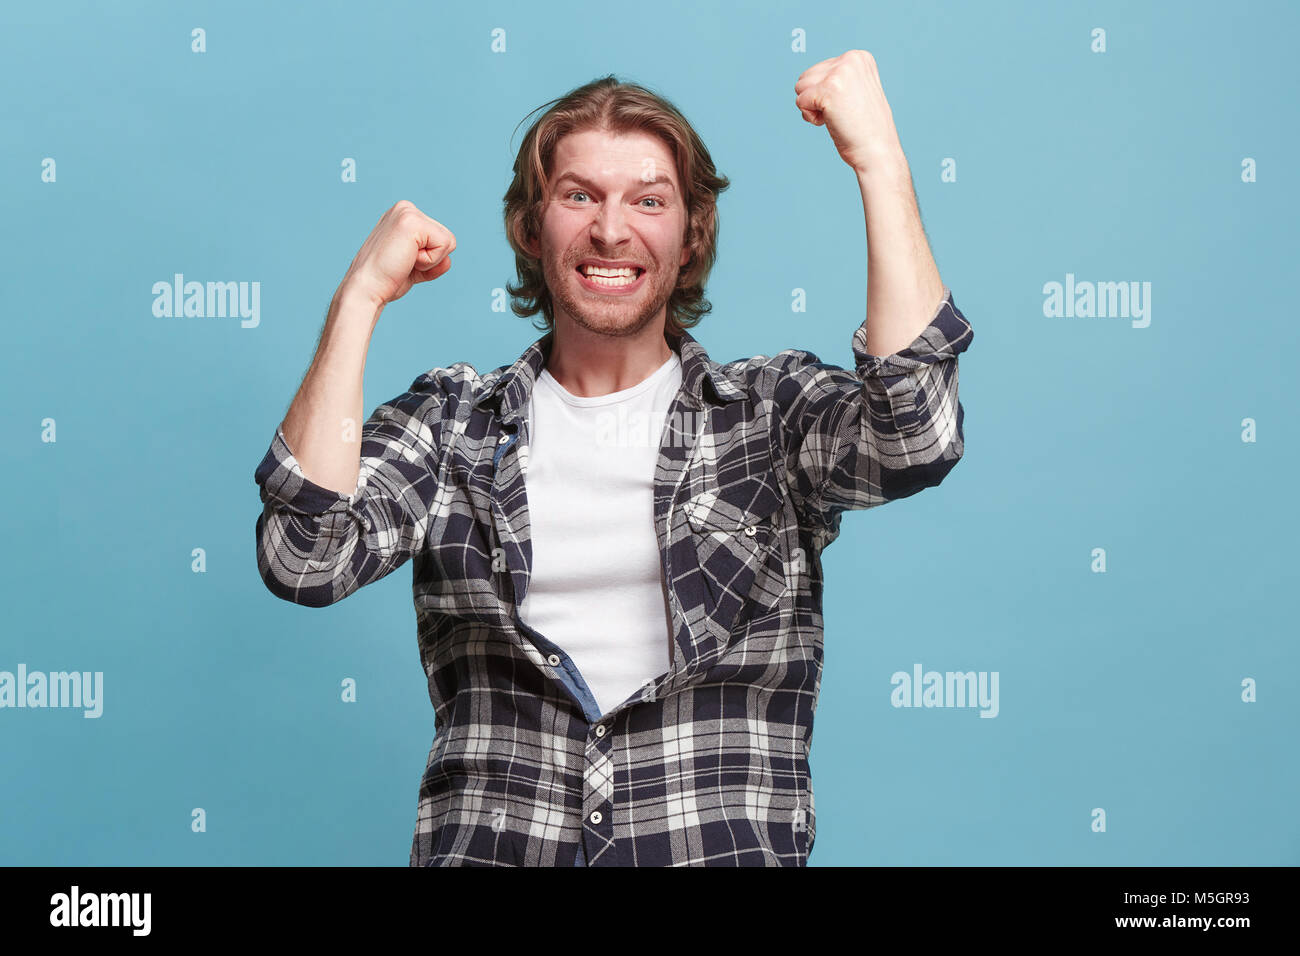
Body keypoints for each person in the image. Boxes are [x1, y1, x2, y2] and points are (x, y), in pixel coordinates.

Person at [253, 50, 974, 866]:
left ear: (689, 234)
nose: (610, 229)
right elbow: (303, 557)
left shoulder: (767, 416)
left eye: (648, 200)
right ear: (532, 226)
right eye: (579, 196)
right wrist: (358, 300)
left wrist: (878, 158)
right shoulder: (452, 425)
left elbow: (916, 434)